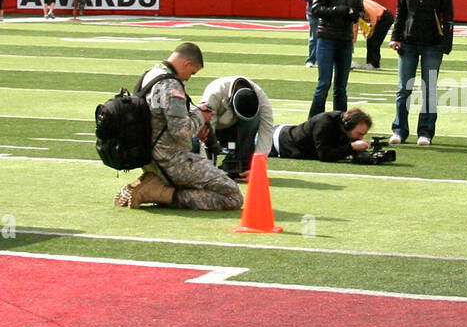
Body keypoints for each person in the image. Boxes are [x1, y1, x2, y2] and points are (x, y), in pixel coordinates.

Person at [114, 43, 243, 210]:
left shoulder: (151, 74)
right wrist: (200, 116)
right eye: (192, 72)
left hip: (151, 155)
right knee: (232, 196)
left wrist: (195, 119)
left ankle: (154, 180)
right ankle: (155, 191)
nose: (189, 78)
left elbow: (161, 119)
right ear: (187, 63)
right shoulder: (170, 85)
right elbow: (180, 132)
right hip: (172, 159)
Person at [389, 0, 454, 146]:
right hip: (408, 43)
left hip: (433, 44)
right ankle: (399, 130)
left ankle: (425, 132)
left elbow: (448, 16)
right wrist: (395, 36)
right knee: (403, 89)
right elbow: (401, 12)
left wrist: (446, 43)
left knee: (429, 89)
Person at [309, 0, 363, 117]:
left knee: (341, 87)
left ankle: (342, 125)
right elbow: (315, 9)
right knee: (324, 84)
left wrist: (355, 14)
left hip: (345, 39)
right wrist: (339, 10)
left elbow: (360, 10)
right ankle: (314, 122)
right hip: (327, 37)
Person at [199, 75, 274, 180]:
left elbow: (266, 130)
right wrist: (206, 166)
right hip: (216, 129)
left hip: (241, 129)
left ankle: (242, 164)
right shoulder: (214, 94)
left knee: (254, 120)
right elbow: (205, 130)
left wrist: (258, 168)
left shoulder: (260, 97)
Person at [271, 108, 373, 161]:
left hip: (287, 132)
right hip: (276, 141)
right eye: (359, 134)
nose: (361, 138)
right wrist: (352, 147)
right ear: (347, 126)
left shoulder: (341, 121)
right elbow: (325, 155)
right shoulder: (324, 123)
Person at [356, 0, 395, 70]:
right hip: (381, 18)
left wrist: (372, 30)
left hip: (384, 18)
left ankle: (374, 64)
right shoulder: (359, 5)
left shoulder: (363, 4)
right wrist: (365, 32)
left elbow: (373, 15)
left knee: (375, 41)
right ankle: (370, 63)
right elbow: (359, 21)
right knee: (371, 40)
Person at [301, 0, 325, 66]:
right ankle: (311, 59)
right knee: (314, 37)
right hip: (313, 12)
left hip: (325, 12)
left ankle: (322, 60)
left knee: (325, 37)